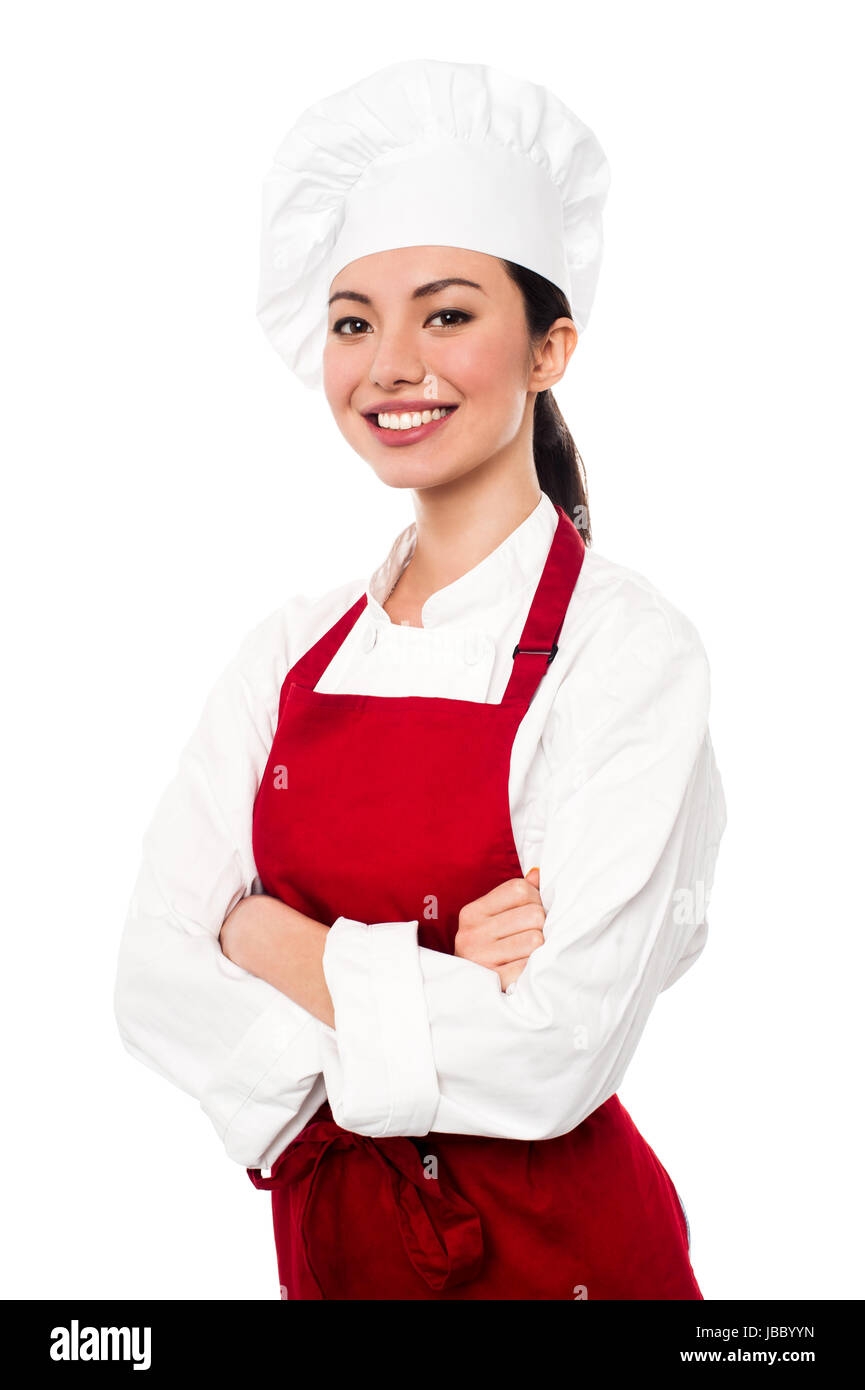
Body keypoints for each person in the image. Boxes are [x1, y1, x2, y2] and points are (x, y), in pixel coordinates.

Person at [114, 58, 727, 1300]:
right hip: (336, 1258)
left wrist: (267, 935)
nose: (390, 362)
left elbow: (552, 1057)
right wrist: (442, 967)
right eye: (354, 320)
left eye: (446, 313)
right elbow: (149, 980)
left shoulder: (628, 650)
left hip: (566, 1266)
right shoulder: (287, 650)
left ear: (549, 346)